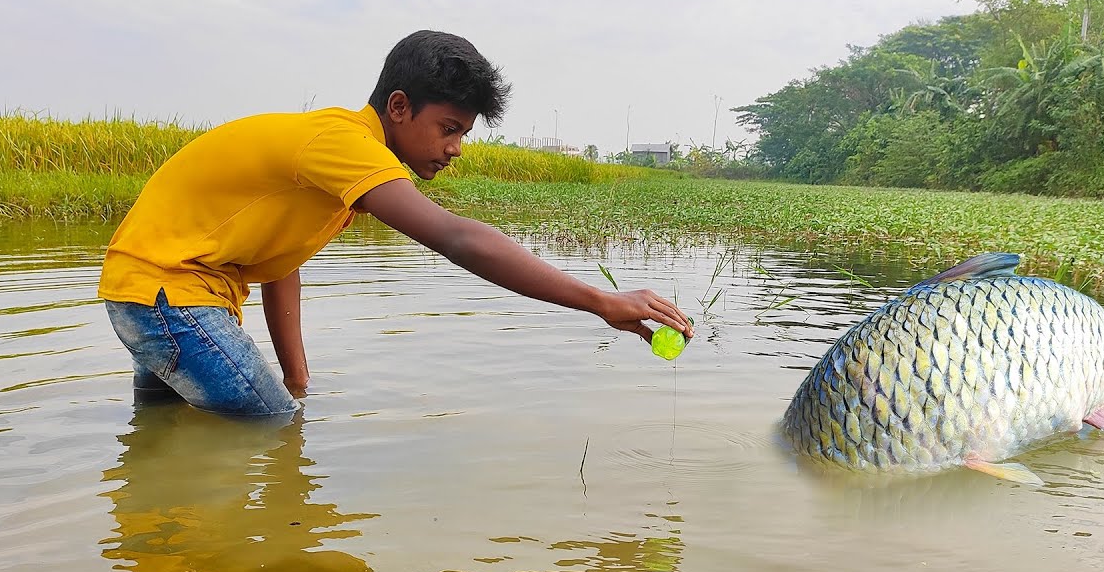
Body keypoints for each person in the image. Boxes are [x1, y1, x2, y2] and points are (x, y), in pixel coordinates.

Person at [98, 29, 693, 417]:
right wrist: (599, 300)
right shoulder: (346, 145)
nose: (457, 148)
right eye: (450, 128)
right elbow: (455, 235)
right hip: (170, 298)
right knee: (273, 434)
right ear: (400, 106)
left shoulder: (336, 164)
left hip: (154, 294)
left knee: (165, 445)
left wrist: (297, 378)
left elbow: (283, 272)